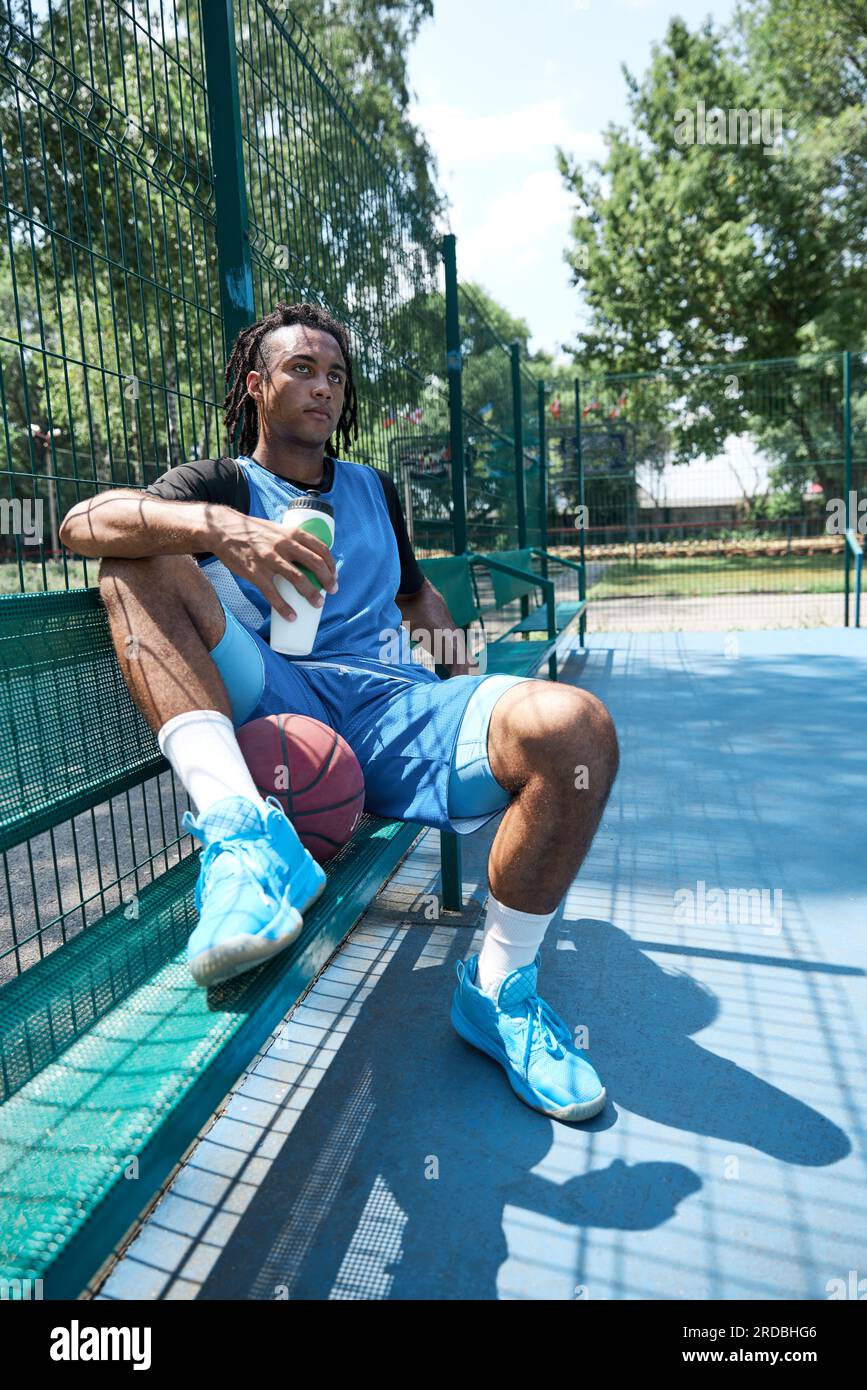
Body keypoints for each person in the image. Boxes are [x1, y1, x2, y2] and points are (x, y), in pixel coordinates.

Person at [60, 302, 619, 1123]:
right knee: (131, 562)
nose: (323, 387)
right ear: (256, 386)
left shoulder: (370, 489)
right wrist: (225, 530)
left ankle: (498, 992)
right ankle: (242, 839)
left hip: (396, 707)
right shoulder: (220, 484)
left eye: (335, 374)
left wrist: (472, 678)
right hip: (280, 703)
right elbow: (82, 524)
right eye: (300, 370)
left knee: (574, 725)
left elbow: (413, 594)